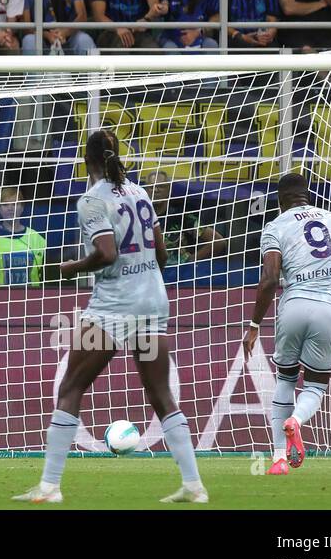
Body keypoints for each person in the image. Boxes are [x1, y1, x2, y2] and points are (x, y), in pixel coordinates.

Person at [15, 130, 207, 505]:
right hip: (153, 303)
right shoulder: (140, 193)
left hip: (113, 307)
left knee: (70, 387)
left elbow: (106, 254)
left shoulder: (91, 201)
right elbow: (162, 253)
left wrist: (72, 267)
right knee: (160, 393)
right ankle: (194, 485)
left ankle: (50, 486)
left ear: (85, 161)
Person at [243, 171, 331, 475]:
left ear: (280, 200)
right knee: (315, 385)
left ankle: (279, 459)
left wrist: (254, 325)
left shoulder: (275, 226)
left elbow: (269, 279)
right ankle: (296, 420)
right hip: (327, 307)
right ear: (306, 195)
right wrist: (330, 294)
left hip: (293, 304)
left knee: (284, 380)